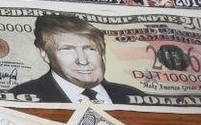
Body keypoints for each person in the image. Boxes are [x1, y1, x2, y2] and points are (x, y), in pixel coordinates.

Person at [9, 14, 143, 105]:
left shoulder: (133, 96)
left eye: (90, 49)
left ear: (102, 52)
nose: (83, 61)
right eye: (67, 49)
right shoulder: (21, 96)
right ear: (45, 54)